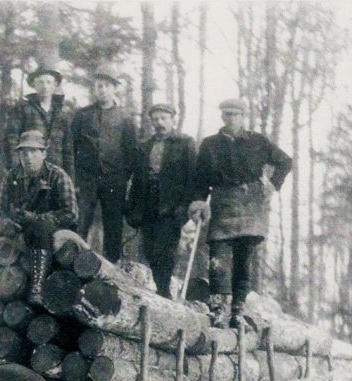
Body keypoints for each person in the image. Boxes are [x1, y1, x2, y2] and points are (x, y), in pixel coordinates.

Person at [191, 98, 292, 328]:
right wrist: (198, 202)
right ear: (222, 117)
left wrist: (273, 185)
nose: (231, 119)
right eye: (227, 114)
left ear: (243, 117)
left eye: (235, 115)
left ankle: (237, 312)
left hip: (250, 207)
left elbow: (285, 161)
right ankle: (217, 311)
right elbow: (200, 179)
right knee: (217, 261)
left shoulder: (257, 142)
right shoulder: (210, 145)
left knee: (243, 262)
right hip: (222, 205)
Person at [127, 103, 202, 299]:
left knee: (165, 250)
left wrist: (184, 208)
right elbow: (137, 179)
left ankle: (164, 290)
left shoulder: (185, 143)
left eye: (164, 118)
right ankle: (161, 288)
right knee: (150, 250)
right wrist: (133, 209)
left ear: (172, 120)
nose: (159, 123)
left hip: (171, 207)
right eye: (156, 119)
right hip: (148, 205)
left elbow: (192, 178)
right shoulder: (144, 146)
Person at [0, 130, 78, 305]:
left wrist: (37, 218)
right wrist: (5, 222)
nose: (28, 157)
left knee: (39, 229)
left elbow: (70, 213)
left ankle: (37, 287)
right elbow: (1, 209)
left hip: (52, 232)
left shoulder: (57, 176)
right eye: (23, 152)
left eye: (34, 151)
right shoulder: (11, 177)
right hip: (19, 232)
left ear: (44, 154)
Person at [70, 62, 140, 263]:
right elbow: (72, 147)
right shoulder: (82, 115)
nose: (102, 90)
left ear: (115, 88)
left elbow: (131, 151)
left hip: (114, 180)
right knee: (80, 222)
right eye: (98, 86)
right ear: (94, 88)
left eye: (107, 86)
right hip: (86, 180)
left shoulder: (125, 118)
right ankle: (73, 264)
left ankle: (112, 269)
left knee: (113, 227)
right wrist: (75, 178)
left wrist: (124, 178)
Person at [5, 61, 74, 178]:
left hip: (56, 172)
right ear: (34, 84)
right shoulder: (23, 109)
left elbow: (68, 149)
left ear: (55, 85)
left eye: (49, 82)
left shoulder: (62, 113)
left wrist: (70, 178)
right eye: (41, 82)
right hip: (30, 170)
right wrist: (16, 168)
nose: (45, 86)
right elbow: (11, 139)